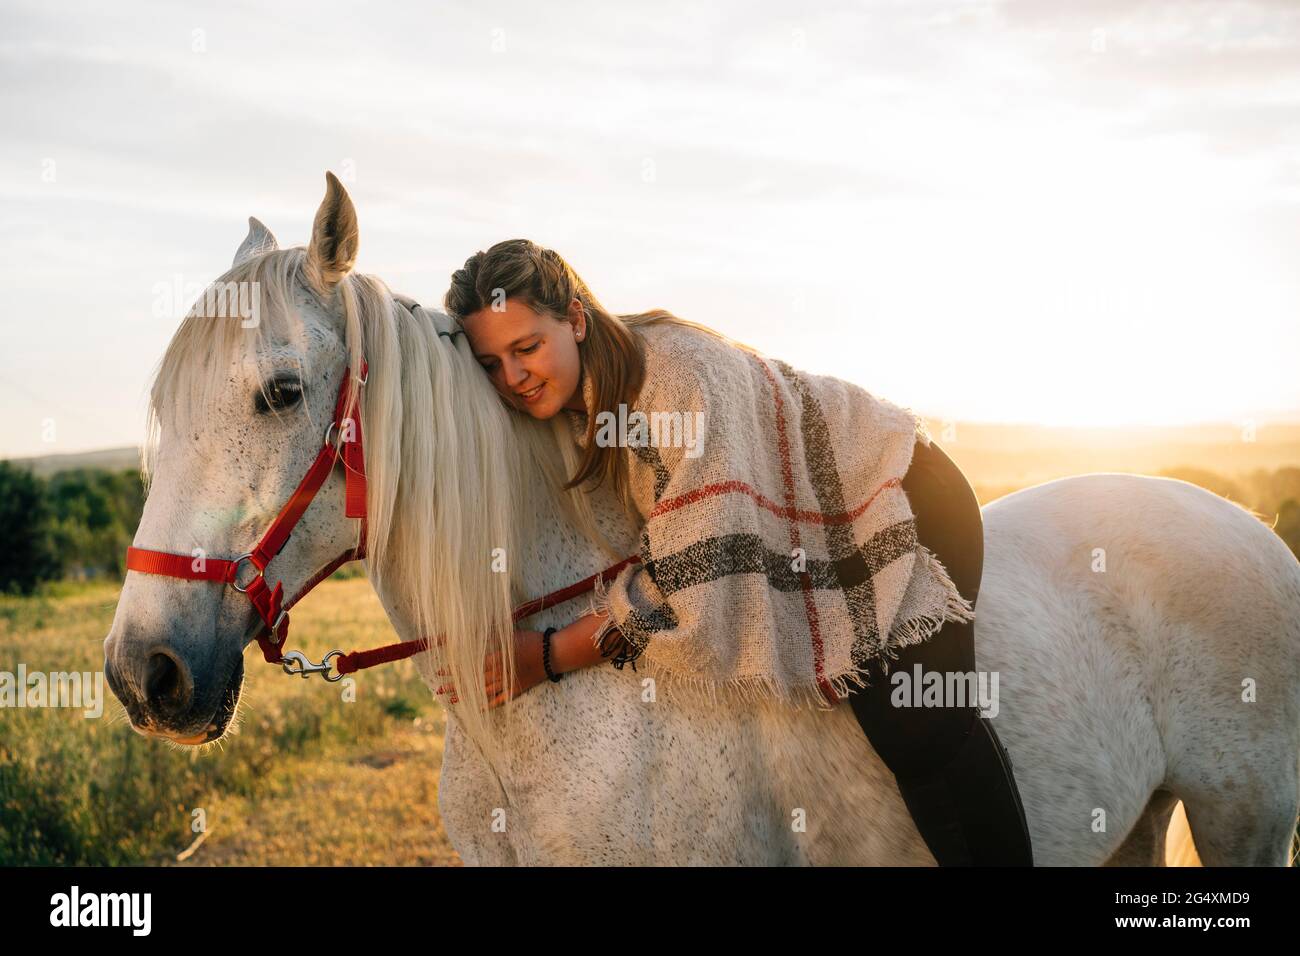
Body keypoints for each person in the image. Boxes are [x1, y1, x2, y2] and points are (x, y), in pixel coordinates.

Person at [442, 239, 1032, 866]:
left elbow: (697, 581)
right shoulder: (572, 397)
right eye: (490, 363)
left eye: (526, 347)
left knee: (917, 724)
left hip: (891, 498)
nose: (513, 377)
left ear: (576, 320)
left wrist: (553, 653)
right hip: (804, 526)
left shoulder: (674, 381)